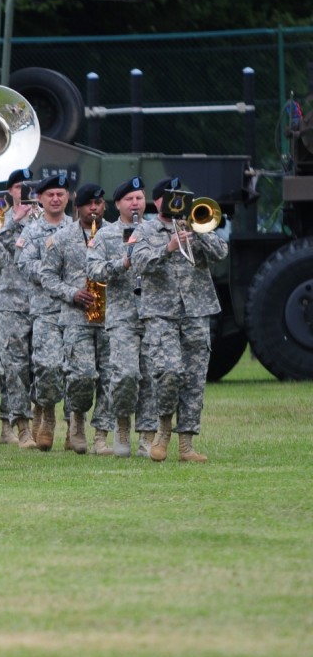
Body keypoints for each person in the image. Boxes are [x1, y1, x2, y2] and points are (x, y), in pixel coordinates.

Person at [131, 177, 228, 461]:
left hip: (196, 311)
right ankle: (162, 430)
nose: (177, 201)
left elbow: (221, 253)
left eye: (181, 196)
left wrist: (198, 232)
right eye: (171, 197)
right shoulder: (145, 229)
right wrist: (168, 247)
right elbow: (138, 263)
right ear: (158, 201)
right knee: (169, 372)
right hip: (161, 314)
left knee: (195, 380)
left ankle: (186, 445)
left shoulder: (195, 225)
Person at [40, 183, 115, 454]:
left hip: (110, 316)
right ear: (79, 207)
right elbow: (46, 276)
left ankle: (101, 436)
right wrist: (72, 293)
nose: (93, 208)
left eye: (98, 203)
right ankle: (77, 422)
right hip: (75, 316)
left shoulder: (114, 233)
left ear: (104, 205)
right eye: (88, 204)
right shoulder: (62, 237)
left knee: (109, 376)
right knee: (81, 375)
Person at [87, 176, 158, 457]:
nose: (135, 203)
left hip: (153, 314)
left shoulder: (153, 231)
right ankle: (122, 424)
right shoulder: (104, 235)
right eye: (129, 199)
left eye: (139, 198)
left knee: (152, 377)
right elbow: (93, 270)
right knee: (126, 375)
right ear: (117, 204)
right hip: (122, 317)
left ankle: (147, 436)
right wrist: (122, 263)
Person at [16, 173, 73, 450]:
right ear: (40, 198)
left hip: (76, 309)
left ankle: (76, 426)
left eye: (60, 194)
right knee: (47, 366)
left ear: (68, 197)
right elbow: (24, 264)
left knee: (77, 370)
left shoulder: (78, 228)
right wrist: (54, 273)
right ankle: (47, 413)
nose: (55, 198)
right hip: (46, 309)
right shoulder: (32, 231)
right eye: (49, 194)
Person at [0, 168, 39, 448]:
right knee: (15, 367)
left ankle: (43, 416)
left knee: (43, 366)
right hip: (11, 303)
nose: (25, 192)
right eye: (20, 186)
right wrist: (15, 222)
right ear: (10, 191)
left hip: (44, 302)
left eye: (30, 187)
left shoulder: (46, 220)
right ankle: (21, 426)